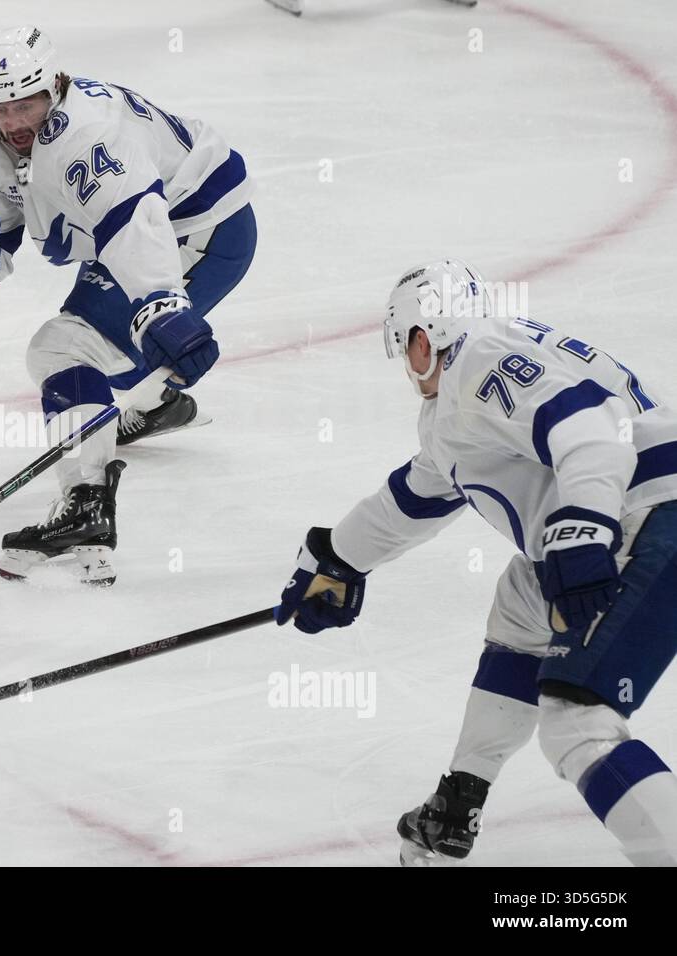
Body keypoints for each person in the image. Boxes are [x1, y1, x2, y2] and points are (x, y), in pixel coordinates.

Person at [275, 260, 677, 866]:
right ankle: (462, 795)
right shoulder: (468, 396)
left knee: (578, 724)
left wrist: (583, 525)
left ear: (426, 334)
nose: (409, 370)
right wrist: (337, 558)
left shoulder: (479, 362)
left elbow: (590, 429)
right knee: (522, 603)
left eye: (407, 348)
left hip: (649, 514)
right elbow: (413, 499)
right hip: (638, 510)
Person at [0, 25, 257, 586]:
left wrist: (160, 305)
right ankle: (155, 400)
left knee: (64, 349)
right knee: (87, 349)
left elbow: (135, 225)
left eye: (24, 104)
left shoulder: (90, 136)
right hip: (132, 238)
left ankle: (87, 501)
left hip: (200, 231)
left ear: (55, 86)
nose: (11, 122)